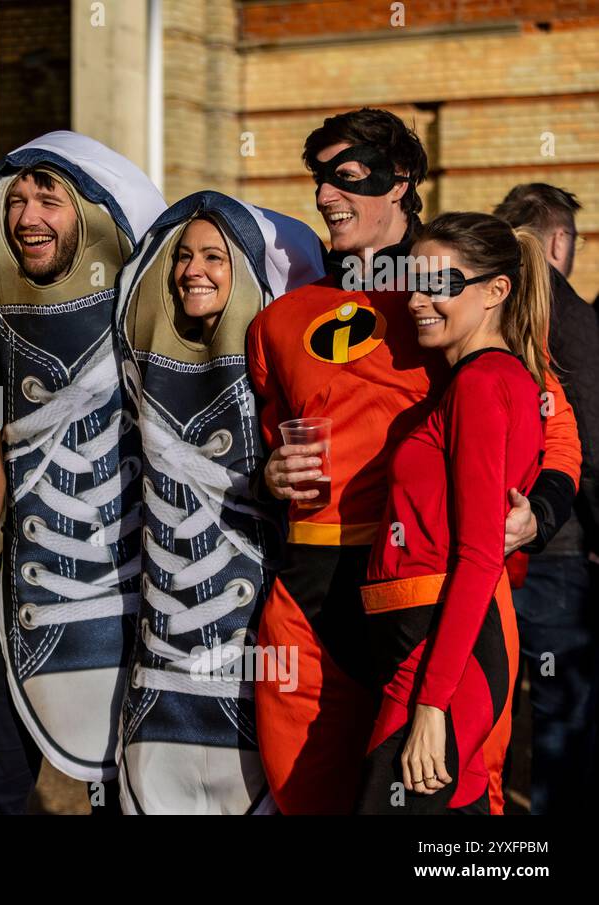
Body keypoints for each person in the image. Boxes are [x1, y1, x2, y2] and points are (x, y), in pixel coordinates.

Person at [247, 108, 582, 815]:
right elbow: (269, 438)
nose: (325, 197)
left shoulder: (449, 302)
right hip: (312, 588)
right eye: (319, 181)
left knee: (445, 801)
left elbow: (554, 425)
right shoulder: (281, 318)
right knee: (309, 794)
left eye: (346, 177)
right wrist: (268, 474)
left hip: (433, 589)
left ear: (401, 180)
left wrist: (540, 512)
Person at [0, 132, 165, 814]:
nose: (28, 215)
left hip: (135, 597)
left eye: (51, 198)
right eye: (16, 199)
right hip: (23, 595)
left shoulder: (150, 322)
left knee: (124, 795)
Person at [113, 191, 325, 813]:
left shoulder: (287, 365)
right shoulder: (137, 359)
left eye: (214, 257)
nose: (191, 271)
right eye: (182, 256)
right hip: (160, 654)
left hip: (252, 650)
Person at [357, 212, 551, 813]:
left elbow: (477, 551)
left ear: (497, 291)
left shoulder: (481, 382)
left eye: (441, 284)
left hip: (449, 643)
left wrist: (432, 703)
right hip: (433, 637)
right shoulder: (474, 379)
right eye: (416, 282)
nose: (417, 300)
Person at [493, 184, 599, 815]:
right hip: (557, 550)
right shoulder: (568, 310)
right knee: (564, 713)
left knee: (492, 705)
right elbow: (590, 435)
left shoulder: (479, 295)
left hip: (485, 541)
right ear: (559, 240)